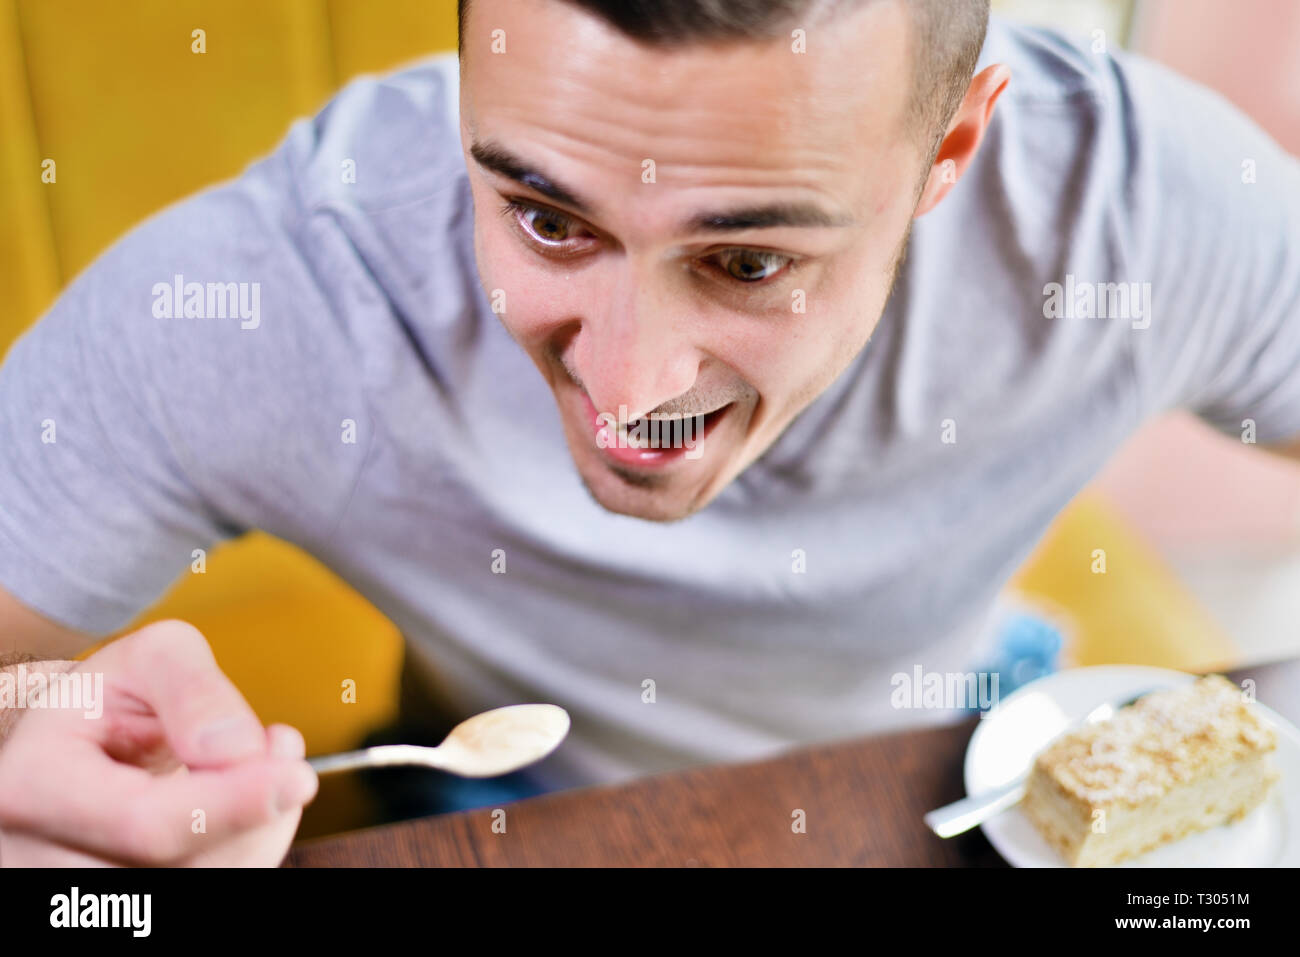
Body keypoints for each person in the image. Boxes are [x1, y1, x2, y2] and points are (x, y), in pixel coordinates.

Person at [2, 0, 1298, 866]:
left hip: (981, 741)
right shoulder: (280, 295)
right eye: (546, 219)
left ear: (945, 154)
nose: (628, 385)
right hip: (500, 798)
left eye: (745, 259)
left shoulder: (1133, 216)